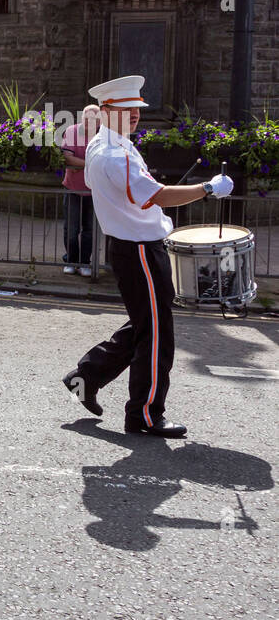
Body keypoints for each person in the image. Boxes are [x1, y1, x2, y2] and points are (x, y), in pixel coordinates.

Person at [64, 75, 234, 438]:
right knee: (158, 336)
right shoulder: (116, 153)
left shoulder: (101, 144)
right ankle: (144, 414)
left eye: (137, 110)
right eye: (126, 111)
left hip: (131, 246)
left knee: (148, 325)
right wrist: (207, 189)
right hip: (139, 249)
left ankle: (87, 375)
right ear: (107, 112)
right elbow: (158, 195)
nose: (135, 116)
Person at [59, 104, 101, 277]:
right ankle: (71, 260)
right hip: (73, 188)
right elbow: (67, 157)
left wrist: (81, 164)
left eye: (93, 119)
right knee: (71, 229)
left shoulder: (104, 135)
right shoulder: (71, 131)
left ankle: (84, 263)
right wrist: (91, 164)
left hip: (94, 191)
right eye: (86, 118)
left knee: (89, 230)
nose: (89, 122)